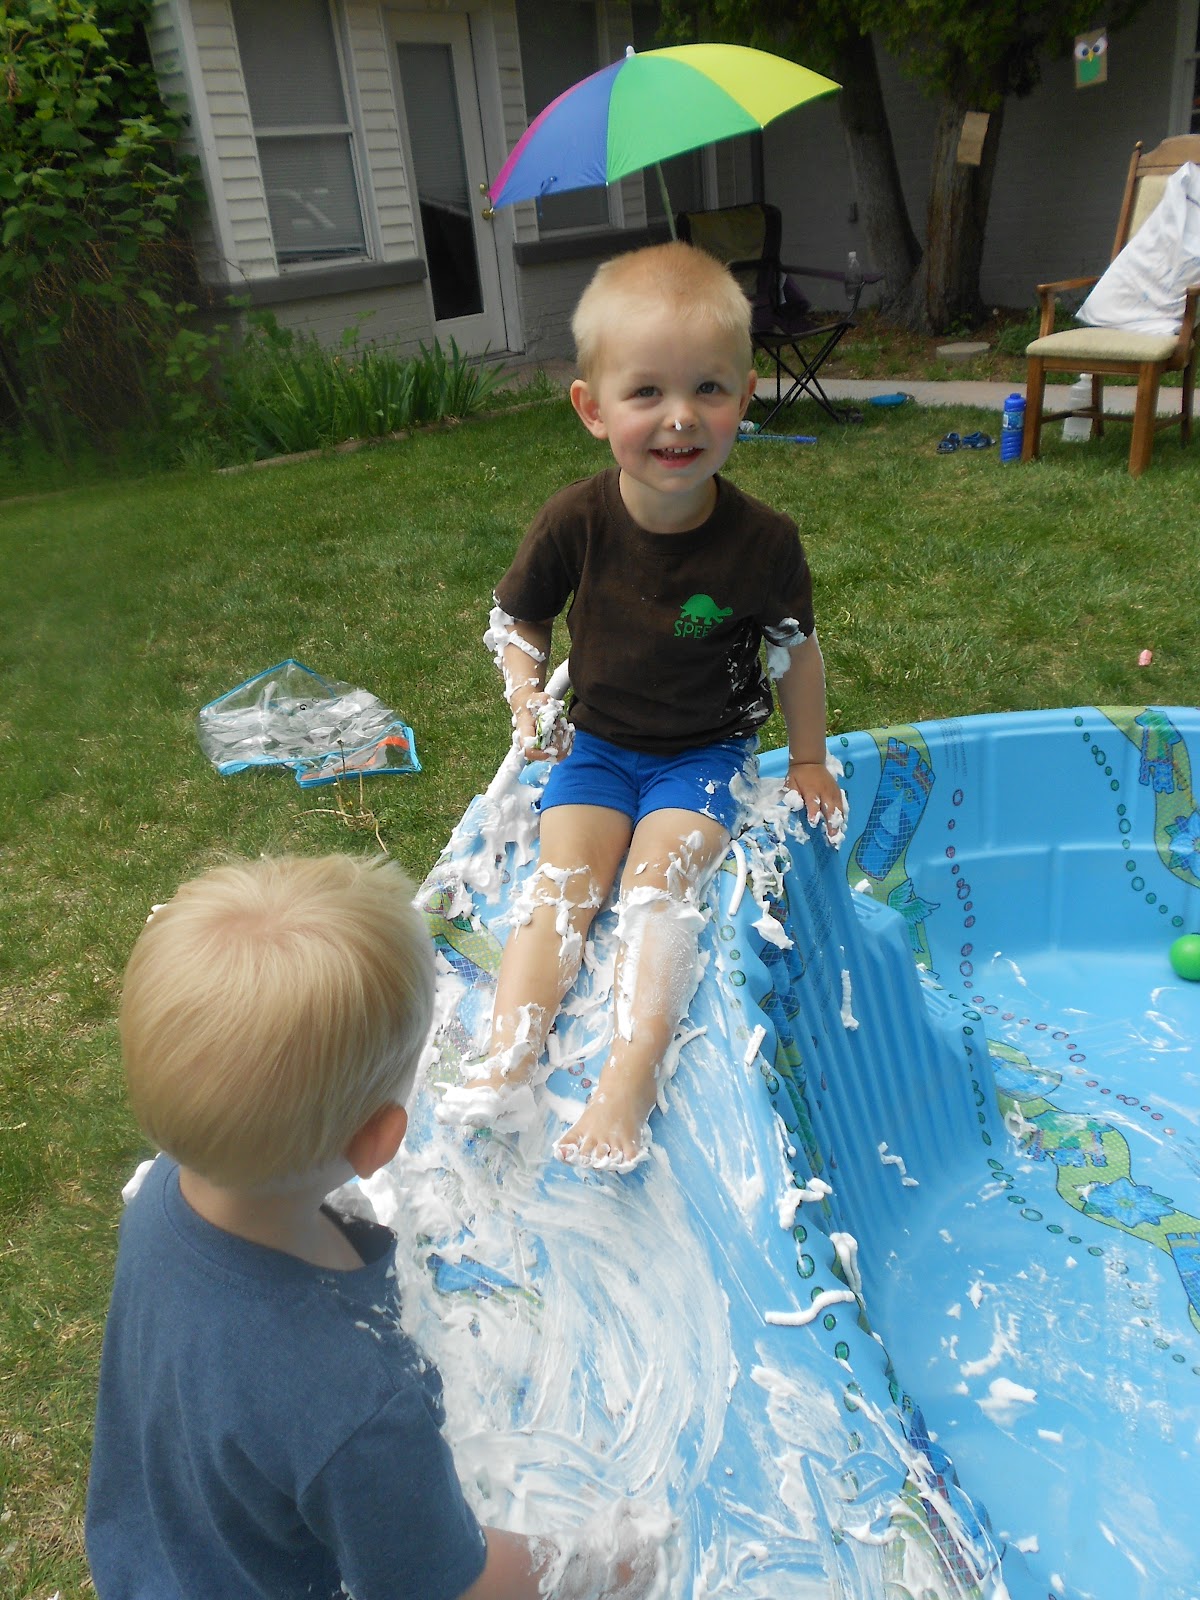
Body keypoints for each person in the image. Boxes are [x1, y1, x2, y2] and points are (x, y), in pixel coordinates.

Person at [85, 853, 658, 1600]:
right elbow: (455, 1587)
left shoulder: (169, 1194)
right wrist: (600, 1562)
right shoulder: (359, 1403)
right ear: (380, 1143)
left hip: (155, 1566)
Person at [440, 241, 843, 1174]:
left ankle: (630, 1080)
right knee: (561, 893)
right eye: (646, 392)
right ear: (592, 408)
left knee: (658, 893)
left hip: (704, 757)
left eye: (708, 389)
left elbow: (795, 654)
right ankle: (506, 1060)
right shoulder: (575, 520)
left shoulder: (764, 543)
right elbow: (519, 620)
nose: (679, 418)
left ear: (746, 397)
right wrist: (524, 689)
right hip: (599, 746)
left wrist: (810, 758)